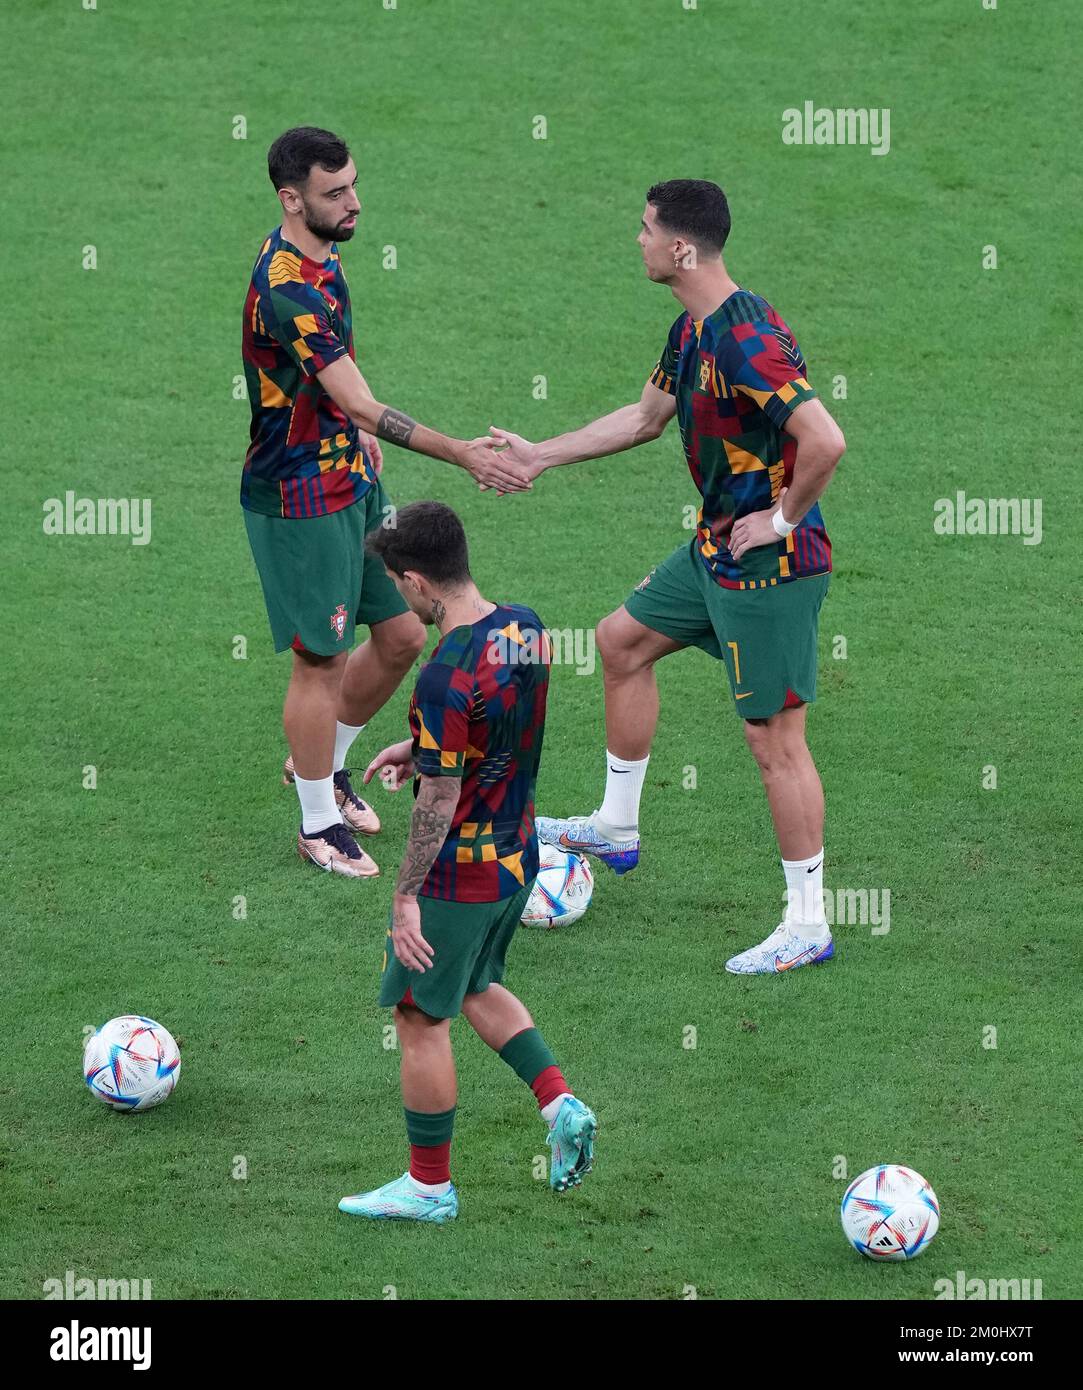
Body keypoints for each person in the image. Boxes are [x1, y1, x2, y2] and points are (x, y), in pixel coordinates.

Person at [490, 180, 846, 974]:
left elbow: (825, 439)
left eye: (646, 230)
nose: (639, 241)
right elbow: (646, 418)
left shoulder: (744, 341)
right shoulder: (692, 328)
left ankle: (807, 922)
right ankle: (616, 827)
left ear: (681, 249)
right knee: (620, 643)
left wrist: (782, 519)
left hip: (769, 568)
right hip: (713, 550)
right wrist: (541, 455)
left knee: (773, 742)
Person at [241, 127, 530, 879]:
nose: (354, 203)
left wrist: (354, 429)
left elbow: (342, 369)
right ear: (290, 198)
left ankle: (324, 769)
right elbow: (364, 404)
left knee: (402, 633)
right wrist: (461, 451)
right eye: (335, 193)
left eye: (353, 186)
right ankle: (315, 824)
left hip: (351, 477)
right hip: (298, 497)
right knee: (321, 660)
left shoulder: (324, 254)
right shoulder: (286, 288)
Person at [338, 502, 595, 1222]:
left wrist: (404, 896)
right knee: (477, 981)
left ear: (417, 581)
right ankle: (559, 1105)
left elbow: (438, 802)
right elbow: (497, 730)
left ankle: (428, 1189)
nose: (396, 596)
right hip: (520, 855)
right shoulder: (524, 626)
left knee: (421, 1017)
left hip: (460, 874)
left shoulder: (441, 675)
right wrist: (418, 749)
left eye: (395, 583)